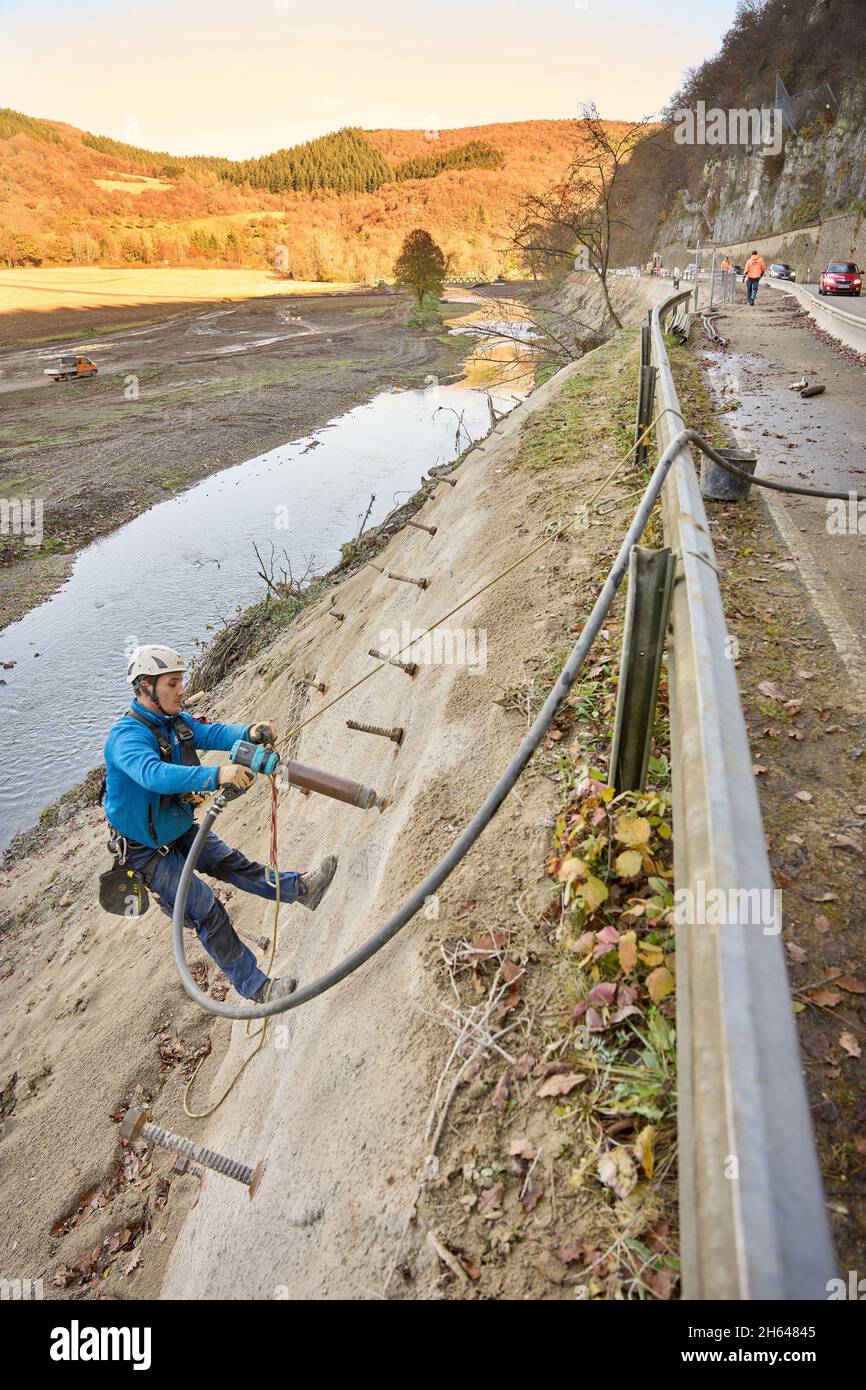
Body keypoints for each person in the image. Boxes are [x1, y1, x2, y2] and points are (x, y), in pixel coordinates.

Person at [102, 645, 337, 1003]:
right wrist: (217, 774)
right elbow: (153, 774)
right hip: (146, 851)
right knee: (205, 909)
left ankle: (301, 890)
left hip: (176, 827)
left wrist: (250, 731)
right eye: (173, 683)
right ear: (146, 687)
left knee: (230, 862)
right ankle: (258, 988)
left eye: (181, 681)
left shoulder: (173, 721)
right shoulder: (126, 737)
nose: (182, 689)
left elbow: (210, 734)